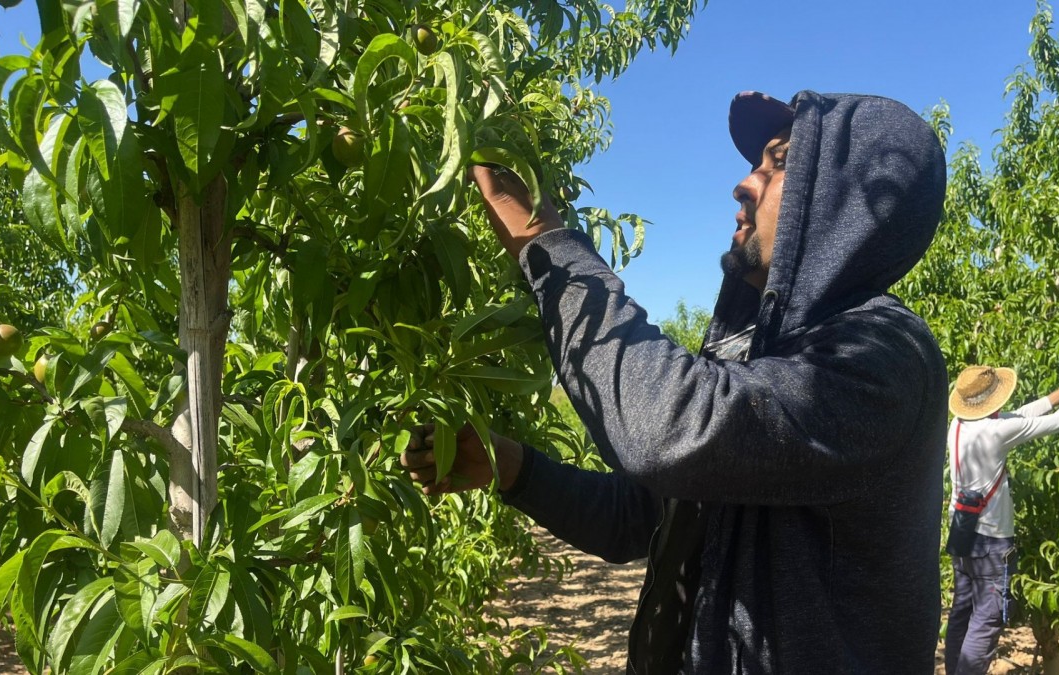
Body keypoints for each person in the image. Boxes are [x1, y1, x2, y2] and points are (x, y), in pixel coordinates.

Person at [402, 90, 949, 673]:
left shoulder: (881, 357)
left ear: (844, 200)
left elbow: (665, 430)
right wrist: (510, 467)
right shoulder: (759, 358)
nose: (745, 183)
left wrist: (545, 246)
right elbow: (641, 520)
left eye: (781, 162)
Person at [943, 365, 1059, 675]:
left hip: (961, 532)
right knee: (986, 619)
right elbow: (1058, 422)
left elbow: (1018, 415)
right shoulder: (996, 432)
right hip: (991, 541)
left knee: (962, 611)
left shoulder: (958, 425)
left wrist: (1058, 394)